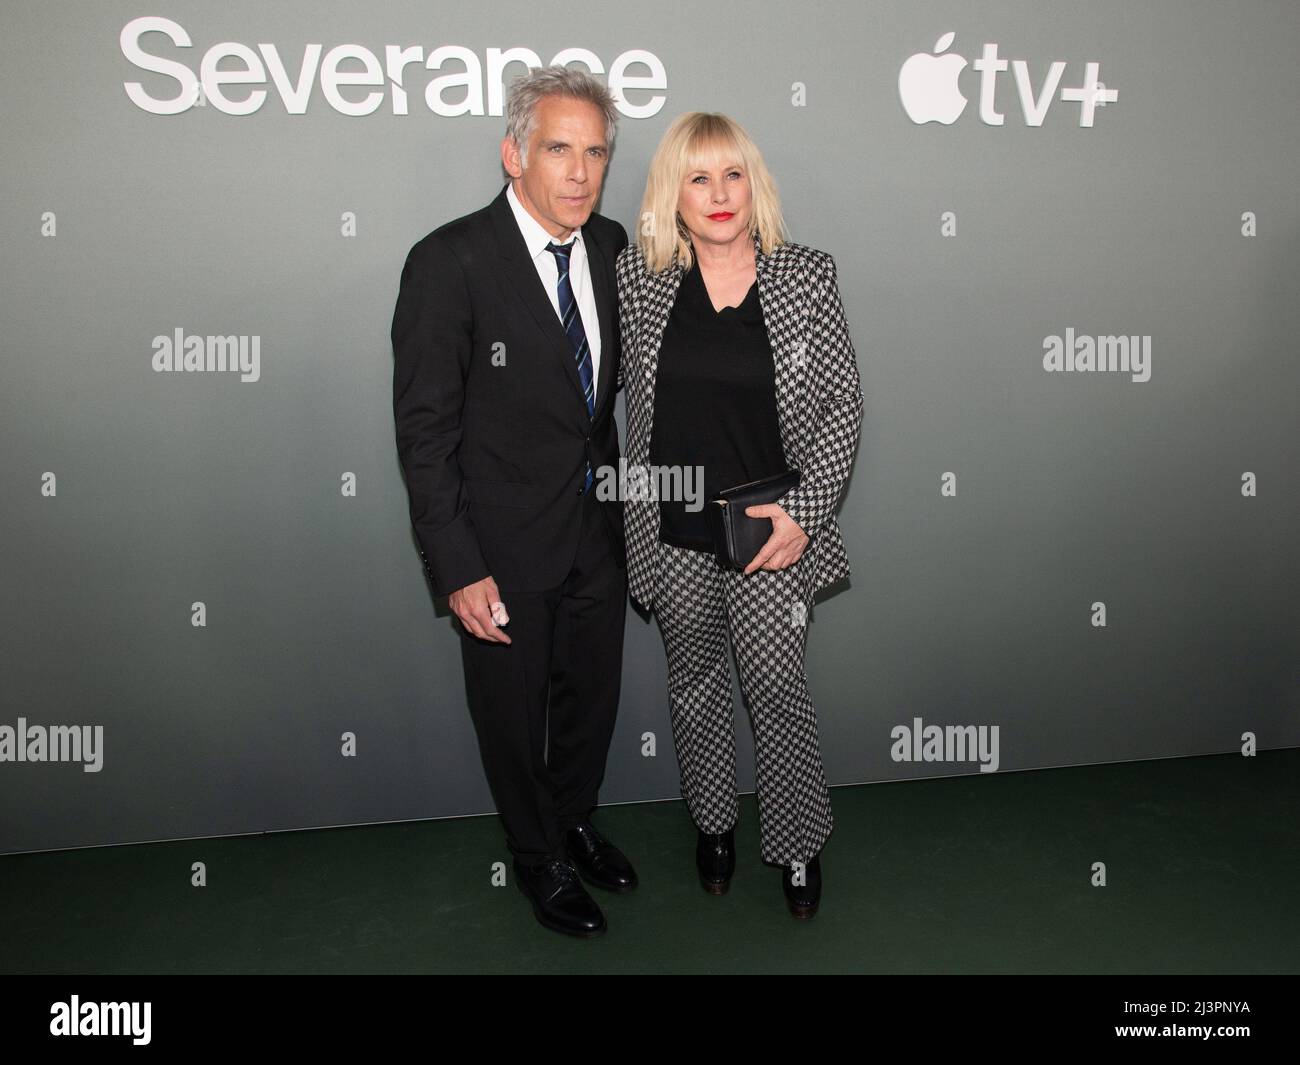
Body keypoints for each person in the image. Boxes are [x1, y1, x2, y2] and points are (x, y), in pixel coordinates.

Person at [391, 67, 636, 939]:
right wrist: (457, 566)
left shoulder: (614, 250)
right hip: (497, 549)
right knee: (510, 716)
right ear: (513, 154)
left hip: (596, 540)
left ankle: (572, 822)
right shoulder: (448, 261)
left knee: (588, 706)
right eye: (558, 149)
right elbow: (425, 435)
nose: (579, 171)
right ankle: (537, 858)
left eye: (596, 151)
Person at [615, 112, 863, 918]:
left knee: (776, 685)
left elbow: (842, 406)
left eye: (733, 174)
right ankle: (714, 824)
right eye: (698, 177)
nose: (719, 195)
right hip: (674, 527)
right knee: (692, 684)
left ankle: (797, 846)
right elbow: (627, 416)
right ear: (672, 194)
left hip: (771, 530)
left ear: (754, 184)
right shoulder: (639, 278)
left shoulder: (807, 274)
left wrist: (805, 514)